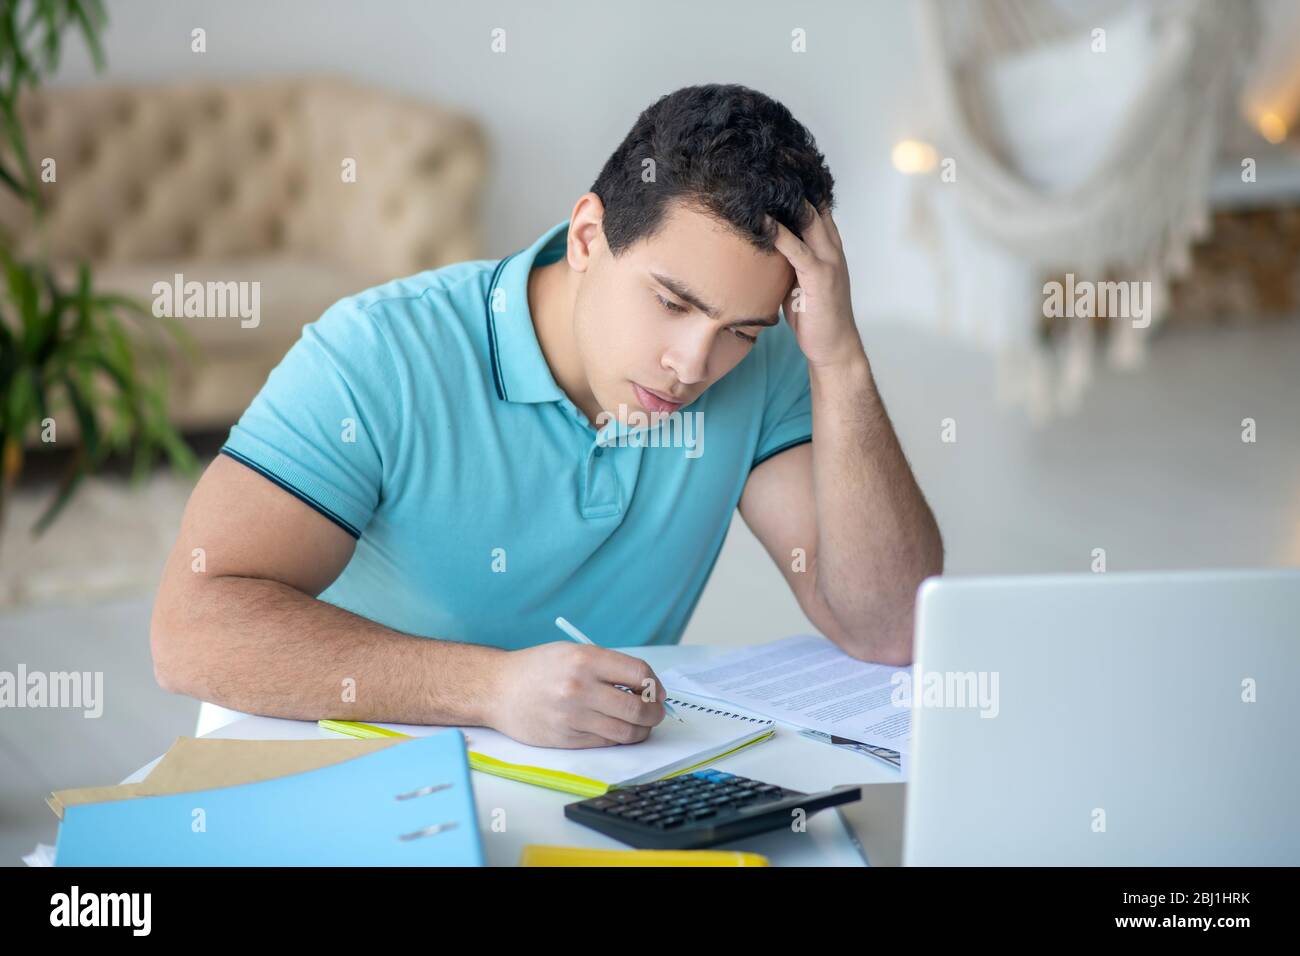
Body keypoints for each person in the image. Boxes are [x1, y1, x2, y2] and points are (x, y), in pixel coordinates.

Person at [151, 83, 943, 748]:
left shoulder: (759, 367)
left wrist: (840, 361)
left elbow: (887, 629)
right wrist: (490, 688)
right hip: (338, 755)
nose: (694, 365)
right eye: (672, 302)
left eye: (739, 329)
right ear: (589, 236)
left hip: (580, 776)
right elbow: (192, 625)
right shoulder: (379, 353)